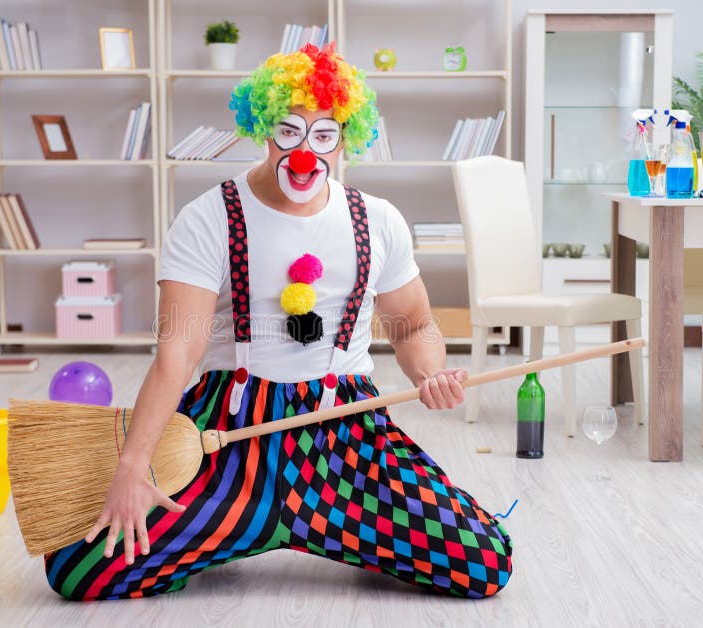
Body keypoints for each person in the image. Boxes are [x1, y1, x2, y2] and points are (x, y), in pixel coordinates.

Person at [45, 43, 512, 601]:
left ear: (344, 138)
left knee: (484, 562)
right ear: (265, 128)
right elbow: (177, 356)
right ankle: (230, 530)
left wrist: (430, 373)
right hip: (229, 438)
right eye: (290, 131)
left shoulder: (378, 220)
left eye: (324, 135)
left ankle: (347, 532)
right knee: (76, 569)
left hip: (347, 434)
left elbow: (413, 324)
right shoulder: (209, 217)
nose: (305, 152)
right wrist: (134, 465)